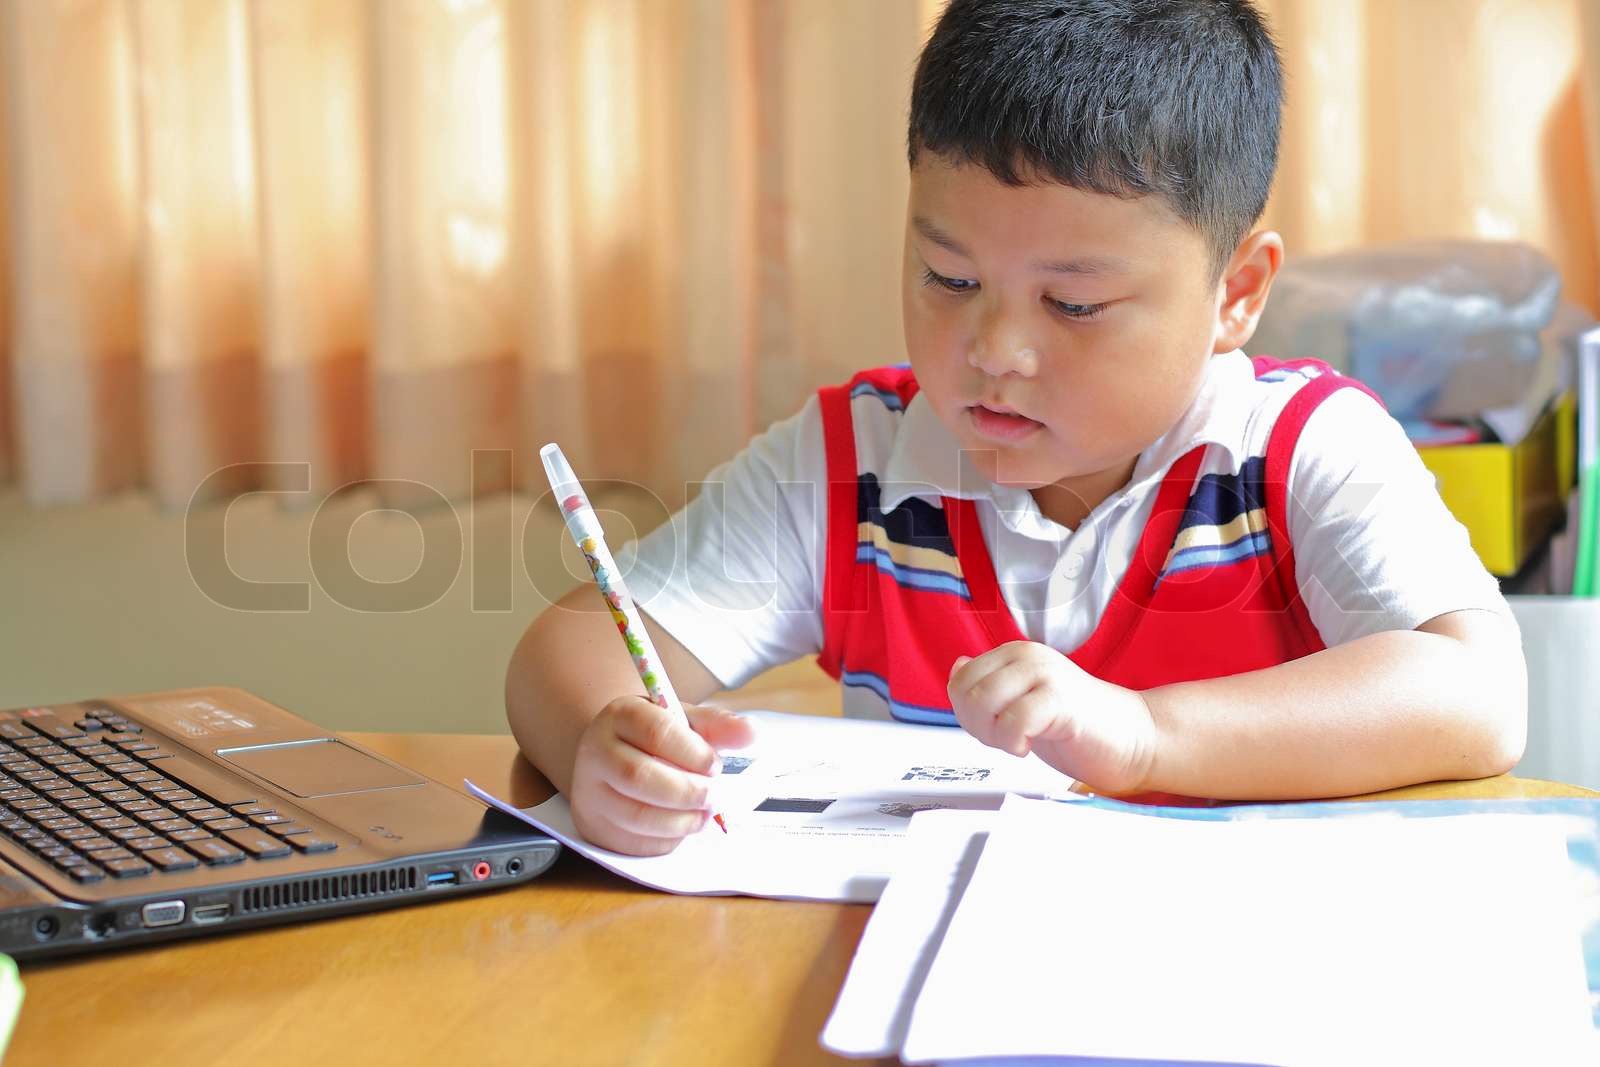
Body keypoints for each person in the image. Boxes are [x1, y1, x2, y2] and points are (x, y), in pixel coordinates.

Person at [506, 0, 1526, 856]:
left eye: (1073, 304)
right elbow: (571, 645)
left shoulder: (1305, 449)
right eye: (949, 278)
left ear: (1236, 294)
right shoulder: (853, 464)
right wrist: (605, 743)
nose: (995, 348)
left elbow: (1477, 695)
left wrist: (1145, 732)